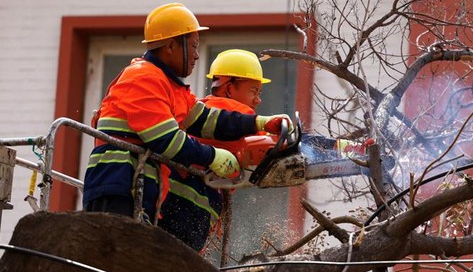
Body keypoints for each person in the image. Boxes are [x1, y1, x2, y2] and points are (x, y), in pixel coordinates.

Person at [72, 4, 291, 272]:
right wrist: (213, 157)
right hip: (117, 183)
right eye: (191, 43)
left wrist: (258, 123)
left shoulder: (171, 87)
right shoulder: (143, 77)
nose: (195, 55)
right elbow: (164, 139)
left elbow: (206, 119)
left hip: (138, 190)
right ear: (171, 45)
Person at [158, 49, 371, 253]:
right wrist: (341, 148)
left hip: (179, 206)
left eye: (259, 93)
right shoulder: (226, 109)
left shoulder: (207, 111)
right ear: (229, 87)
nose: (258, 100)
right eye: (253, 91)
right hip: (187, 207)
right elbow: (278, 142)